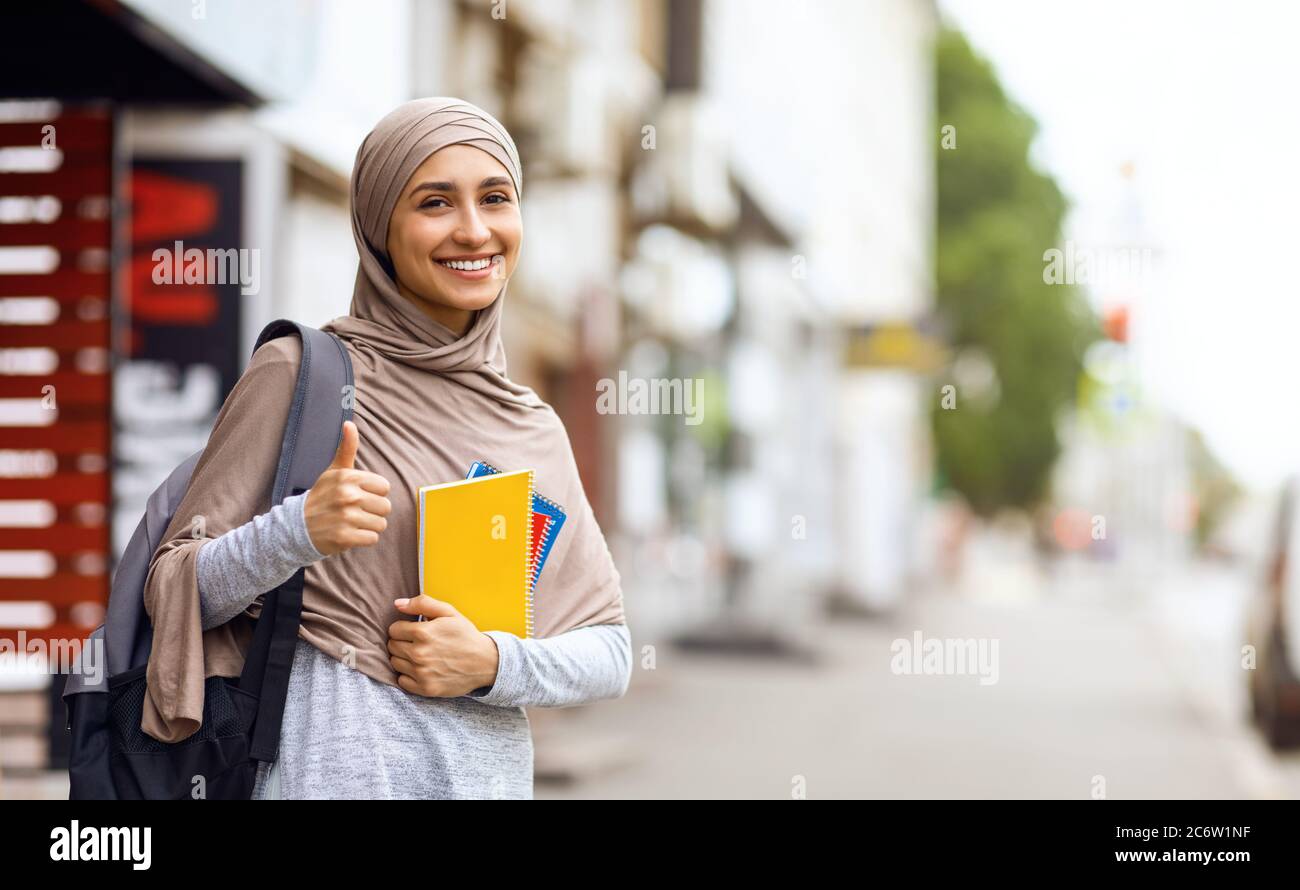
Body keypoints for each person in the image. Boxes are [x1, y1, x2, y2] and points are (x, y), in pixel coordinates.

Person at [141, 97, 631, 799]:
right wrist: (297, 530)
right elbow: (175, 588)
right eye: (435, 203)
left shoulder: (530, 424)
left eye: (495, 198)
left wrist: (491, 663)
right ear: (379, 229)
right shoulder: (299, 375)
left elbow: (609, 651)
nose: (473, 231)